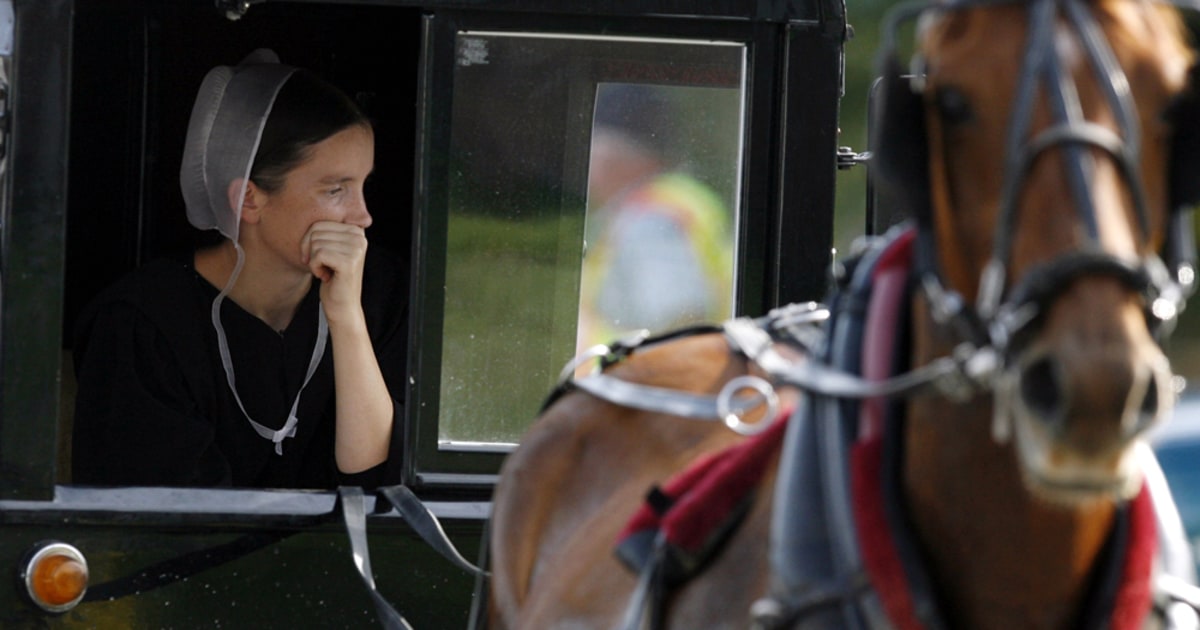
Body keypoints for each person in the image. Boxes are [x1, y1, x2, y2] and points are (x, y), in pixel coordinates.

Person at [71, 50, 407, 489]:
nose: (362, 217)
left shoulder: (379, 292)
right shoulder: (142, 325)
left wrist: (346, 318)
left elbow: (376, 479)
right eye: (335, 190)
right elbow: (161, 527)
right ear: (248, 199)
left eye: (363, 185)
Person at [576, 84, 734, 354]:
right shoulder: (675, 201)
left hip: (638, 391)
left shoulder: (651, 219)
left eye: (593, 143)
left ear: (617, 152)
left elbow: (680, 322)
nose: (586, 158)